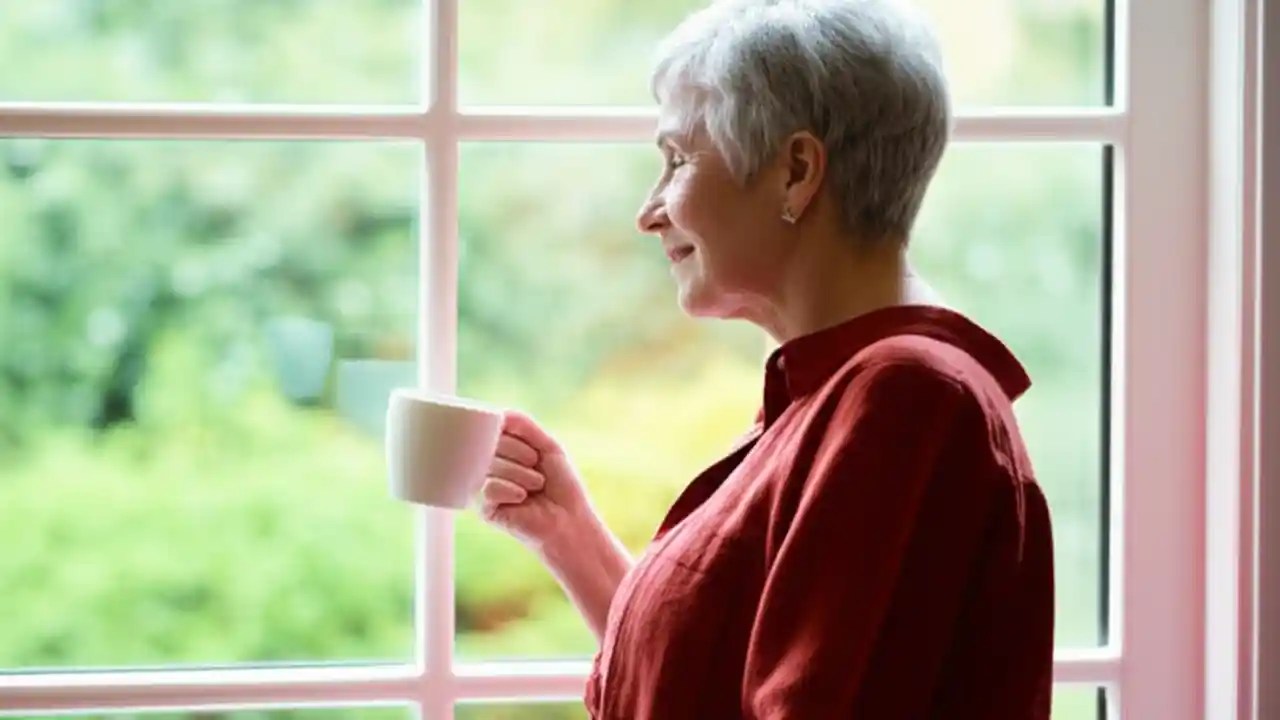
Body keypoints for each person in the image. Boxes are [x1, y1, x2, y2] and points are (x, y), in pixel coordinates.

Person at [478, 0, 1055, 717]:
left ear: (795, 172)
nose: (648, 211)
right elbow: (701, 682)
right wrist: (568, 533)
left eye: (678, 159)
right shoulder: (840, 396)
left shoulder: (906, 402)